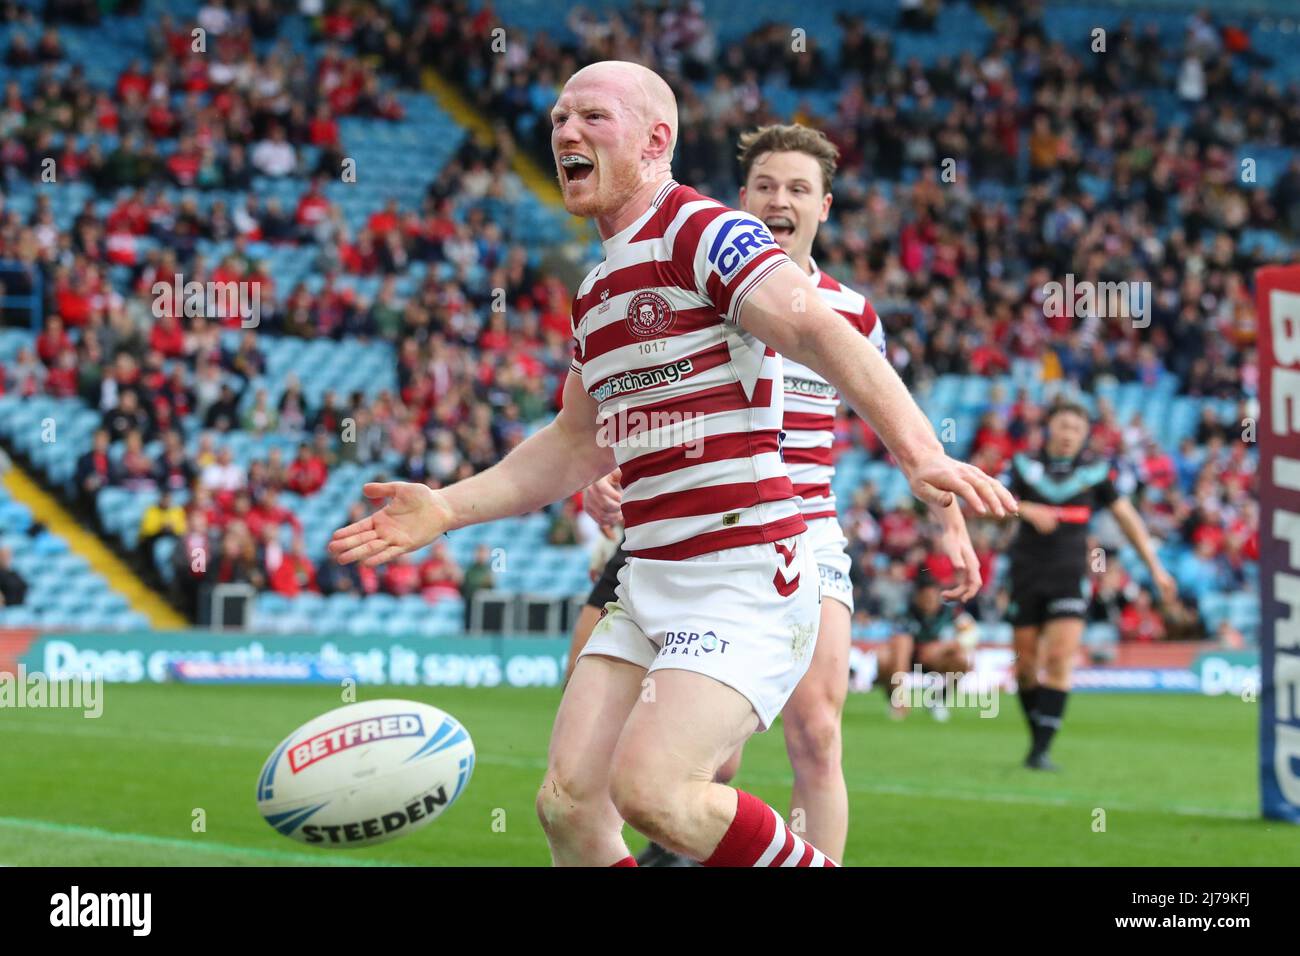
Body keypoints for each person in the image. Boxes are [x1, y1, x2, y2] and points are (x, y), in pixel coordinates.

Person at [329, 61, 1015, 868]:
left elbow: (821, 332)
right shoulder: (594, 291)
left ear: (657, 141)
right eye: (557, 120)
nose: (565, 134)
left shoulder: (704, 231)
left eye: (592, 117)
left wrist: (919, 450)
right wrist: (445, 508)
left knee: (655, 792)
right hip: (649, 577)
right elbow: (575, 442)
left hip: (745, 577)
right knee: (567, 807)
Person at [576, 123, 983, 865]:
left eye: (798, 188)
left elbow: (887, 413)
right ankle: (678, 838)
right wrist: (607, 468)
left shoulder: (851, 313)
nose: (778, 199)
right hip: (680, 528)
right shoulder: (692, 280)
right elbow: (619, 400)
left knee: (816, 732)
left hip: (802, 532)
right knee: (647, 763)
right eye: (765, 185)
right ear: (740, 198)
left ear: (824, 207)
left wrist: (950, 526)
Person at [1005, 399, 1176, 770]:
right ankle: (1038, 738)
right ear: (1049, 428)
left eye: (1077, 430)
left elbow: (1129, 520)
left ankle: (1040, 751)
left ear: (1085, 435)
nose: (1069, 435)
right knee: (1025, 666)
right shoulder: (1022, 465)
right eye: (1064, 426)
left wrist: (1156, 568)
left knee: (1059, 658)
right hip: (1025, 573)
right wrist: (1026, 509)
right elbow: (989, 502)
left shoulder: (1096, 472)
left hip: (1069, 576)